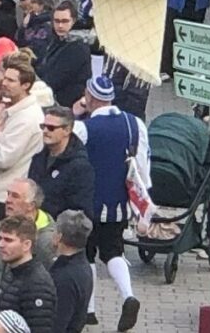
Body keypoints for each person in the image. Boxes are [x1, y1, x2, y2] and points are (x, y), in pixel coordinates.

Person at [77, 75, 146, 331]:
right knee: (113, 251)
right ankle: (128, 295)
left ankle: (89, 309)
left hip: (89, 200)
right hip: (118, 201)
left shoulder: (84, 127)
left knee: (86, 253)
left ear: (90, 97)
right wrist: (144, 204)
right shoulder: (134, 123)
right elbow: (142, 166)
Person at [0, 215, 57, 331]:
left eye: (8, 240)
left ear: (27, 245)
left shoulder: (37, 284)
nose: (1, 244)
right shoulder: (11, 271)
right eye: (0, 238)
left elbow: (40, 328)